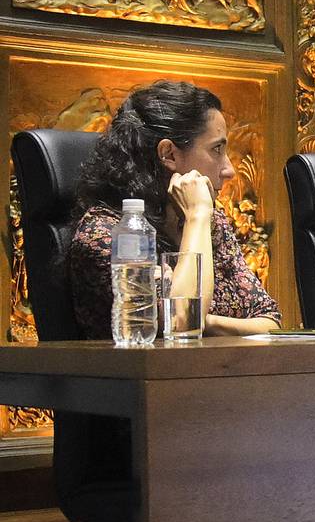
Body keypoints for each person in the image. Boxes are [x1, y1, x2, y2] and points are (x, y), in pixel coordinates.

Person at [69, 80, 282, 337]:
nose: (229, 170)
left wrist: (207, 321)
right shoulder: (107, 235)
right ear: (169, 154)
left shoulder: (213, 224)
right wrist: (197, 218)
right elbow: (182, 324)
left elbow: (270, 322)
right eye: (216, 149)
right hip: (144, 375)